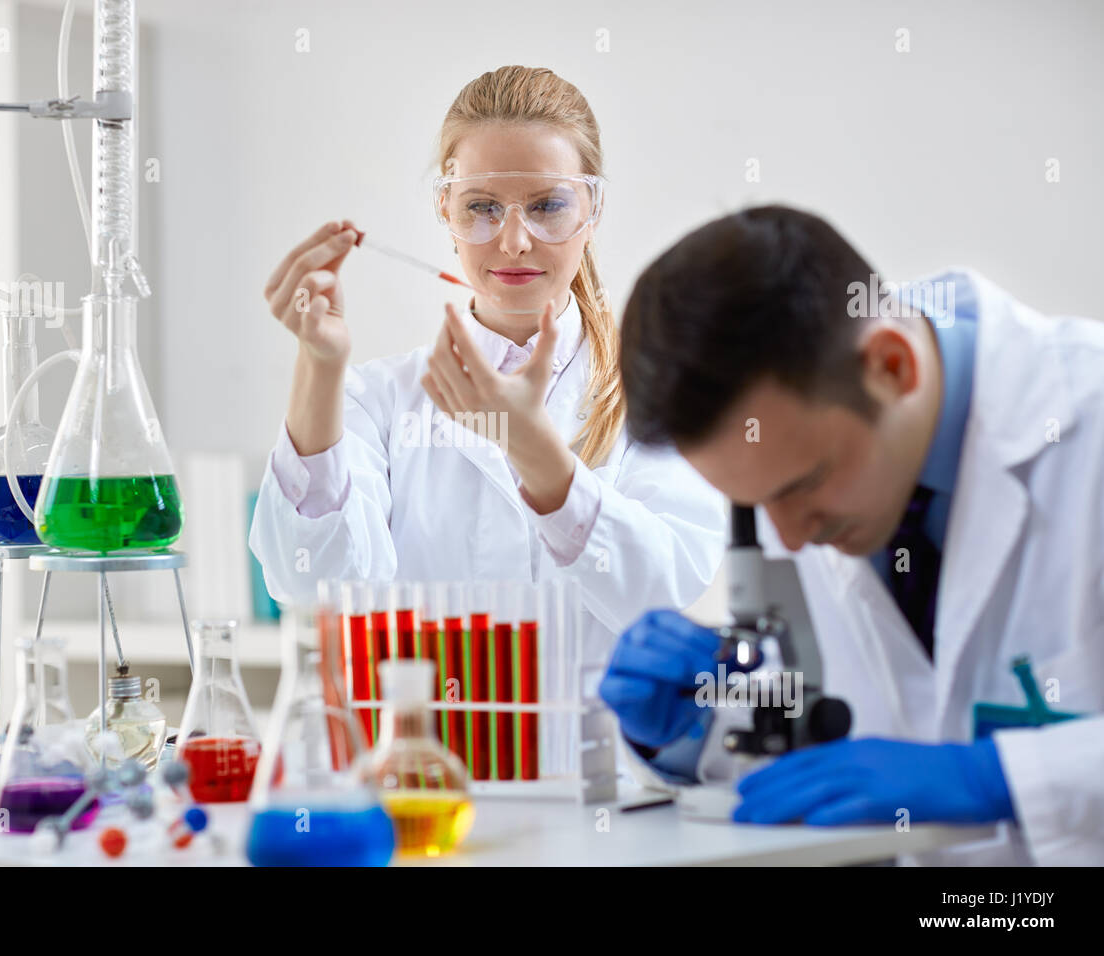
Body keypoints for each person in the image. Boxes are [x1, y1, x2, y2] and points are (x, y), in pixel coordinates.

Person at [602, 205, 1104, 865]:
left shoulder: (1087, 422)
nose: (789, 538)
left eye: (800, 485)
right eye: (752, 502)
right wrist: (693, 733)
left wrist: (999, 777)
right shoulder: (802, 455)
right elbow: (837, 746)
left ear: (892, 366)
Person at [249, 65, 726, 666]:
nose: (514, 241)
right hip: (427, 732)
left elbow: (662, 593)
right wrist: (319, 365)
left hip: (591, 732)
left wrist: (538, 457)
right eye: (482, 207)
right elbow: (311, 588)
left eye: (548, 205)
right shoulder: (378, 400)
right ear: (446, 211)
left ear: (593, 210)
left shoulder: (659, 395)